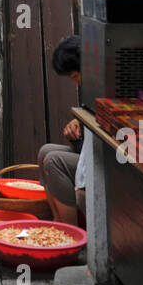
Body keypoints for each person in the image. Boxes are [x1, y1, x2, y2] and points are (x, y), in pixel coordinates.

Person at [37, 34, 85, 224]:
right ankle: (56, 220)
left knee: (54, 161)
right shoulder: (90, 87)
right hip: (87, 154)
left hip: (108, 161)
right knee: (45, 151)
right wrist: (77, 123)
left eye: (75, 76)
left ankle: (69, 231)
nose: (75, 81)